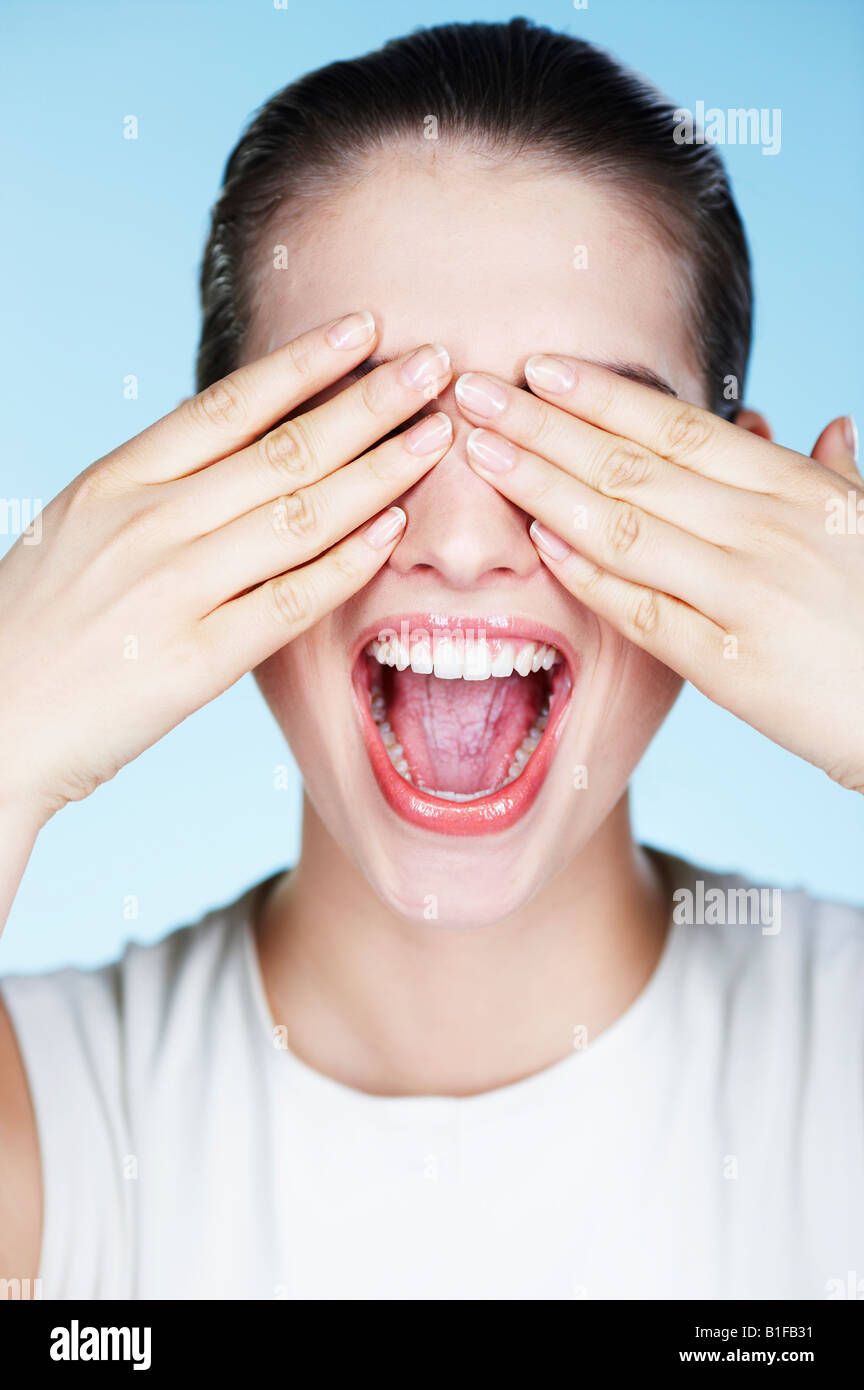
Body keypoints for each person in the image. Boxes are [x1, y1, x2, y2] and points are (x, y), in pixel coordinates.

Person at [0, 19, 862, 1300]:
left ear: (746, 514)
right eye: (370, 429)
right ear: (195, 501)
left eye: (573, 434)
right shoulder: (62, 1124)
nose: (462, 545)